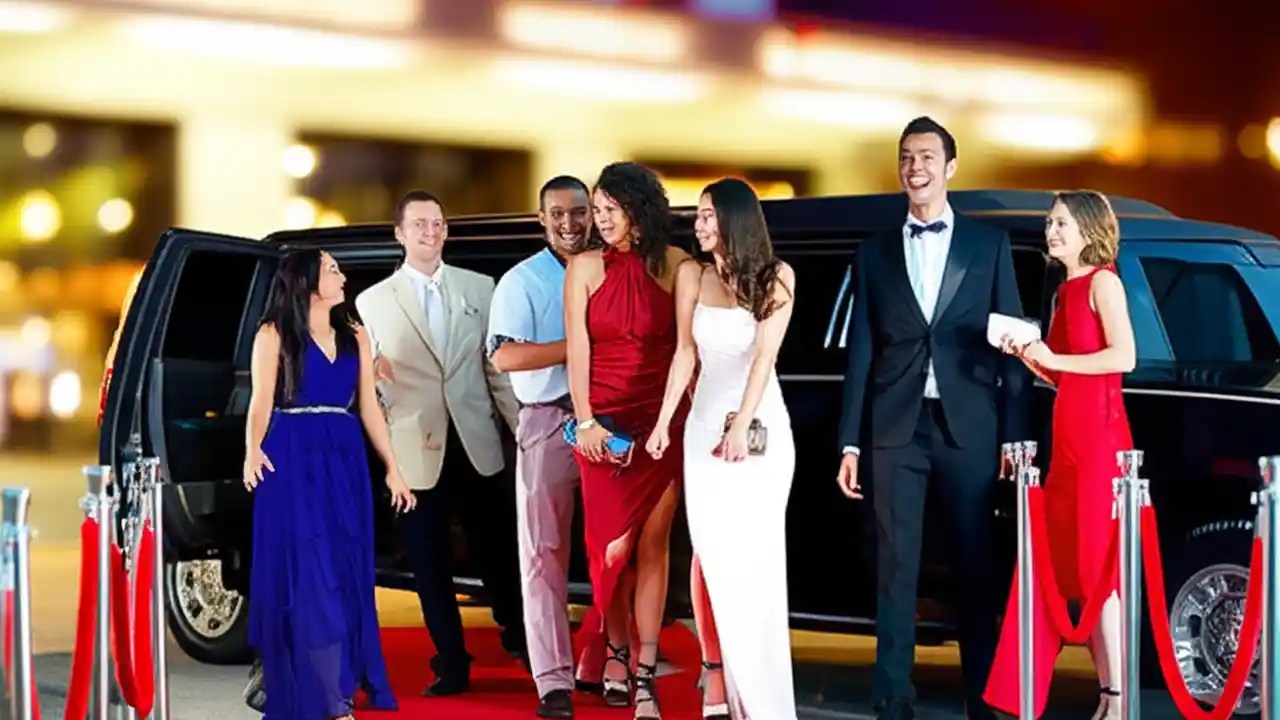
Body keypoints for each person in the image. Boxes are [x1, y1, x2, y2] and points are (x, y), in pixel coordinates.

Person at [835, 116, 1031, 720]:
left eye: (925, 156)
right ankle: (893, 697)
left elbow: (1014, 346)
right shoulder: (873, 251)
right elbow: (861, 350)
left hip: (970, 426)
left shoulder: (988, 245)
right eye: (906, 157)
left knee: (976, 563)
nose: (914, 167)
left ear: (950, 167)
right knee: (896, 566)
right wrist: (850, 442)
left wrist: (1015, 434)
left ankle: (984, 698)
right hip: (895, 427)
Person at [354, 190, 524, 696]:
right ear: (400, 234)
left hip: (476, 441)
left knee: (498, 553)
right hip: (413, 448)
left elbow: (497, 370)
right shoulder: (372, 301)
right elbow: (370, 388)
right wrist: (388, 458)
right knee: (429, 563)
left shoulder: (480, 288)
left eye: (437, 223)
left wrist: (522, 432)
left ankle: (521, 639)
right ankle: (450, 662)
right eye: (419, 224)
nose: (430, 232)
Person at [646, 178, 799, 720]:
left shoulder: (777, 276)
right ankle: (716, 678)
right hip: (704, 425)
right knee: (708, 554)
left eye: (709, 215)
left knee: (755, 559)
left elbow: (763, 358)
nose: (700, 224)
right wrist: (664, 422)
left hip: (760, 432)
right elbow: (685, 353)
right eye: (700, 215)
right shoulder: (692, 274)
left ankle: (761, 696)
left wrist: (742, 424)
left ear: (735, 219)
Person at [243, 249, 415, 720]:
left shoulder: (355, 334)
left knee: (341, 574)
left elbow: (369, 408)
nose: (342, 275)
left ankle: (332, 687)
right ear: (307, 281)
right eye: (332, 269)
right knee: (310, 577)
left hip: (344, 458)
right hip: (291, 457)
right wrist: (252, 450)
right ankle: (330, 701)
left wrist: (393, 467)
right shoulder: (273, 333)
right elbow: (261, 400)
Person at [984, 191, 1135, 720]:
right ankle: (1107, 692)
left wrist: (1054, 357)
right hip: (1067, 439)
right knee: (1069, 569)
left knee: (1098, 570)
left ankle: (1117, 696)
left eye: (1062, 223)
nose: (1051, 231)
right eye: (1050, 223)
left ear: (1090, 230)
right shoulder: (1063, 292)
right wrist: (1028, 355)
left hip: (1099, 441)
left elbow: (1124, 356)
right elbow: (1060, 370)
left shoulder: (1104, 283)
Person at [564, 161, 691, 719]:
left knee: (652, 547)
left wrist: (669, 420)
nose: (601, 219)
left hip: (662, 424)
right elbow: (577, 347)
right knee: (610, 550)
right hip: (603, 425)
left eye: (610, 209)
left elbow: (689, 348)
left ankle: (643, 673)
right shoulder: (585, 267)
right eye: (597, 210)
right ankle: (613, 652)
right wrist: (585, 420)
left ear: (639, 210)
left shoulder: (679, 265)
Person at [487, 175, 604, 718]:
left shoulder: (612, 266)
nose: (569, 223)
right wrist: (578, 345)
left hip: (609, 419)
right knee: (542, 554)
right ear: (542, 219)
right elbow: (504, 357)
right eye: (557, 213)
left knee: (616, 553)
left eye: (578, 212)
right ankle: (553, 682)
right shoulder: (521, 280)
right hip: (548, 419)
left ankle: (602, 663)